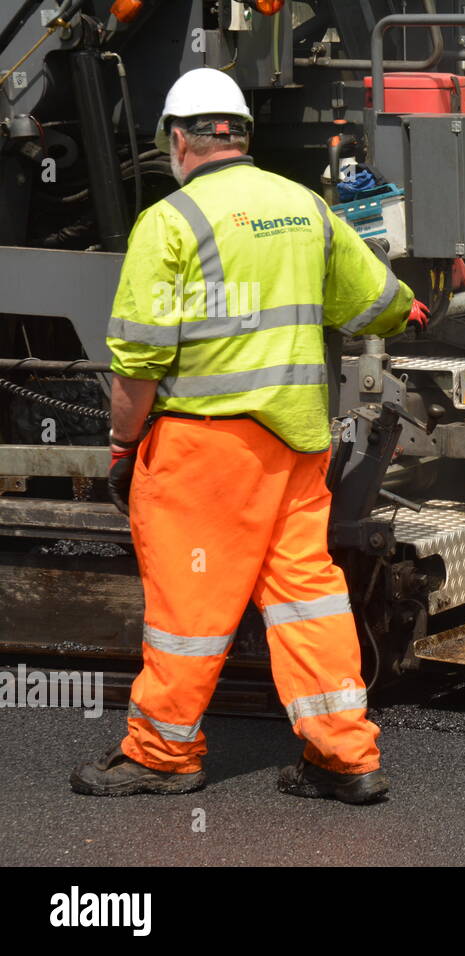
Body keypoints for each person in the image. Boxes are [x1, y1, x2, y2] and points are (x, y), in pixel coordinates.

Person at [71, 68, 425, 804]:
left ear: (179, 139)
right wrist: (416, 310)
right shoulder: (305, 207)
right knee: (307, 597)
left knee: (188, 611)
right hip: (296, 449)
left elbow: (138, 360)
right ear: (242, 135)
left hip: (205, 452)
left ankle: (162, 753)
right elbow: (378, 302)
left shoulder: (171, 222)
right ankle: (343, 756)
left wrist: (121, 445)